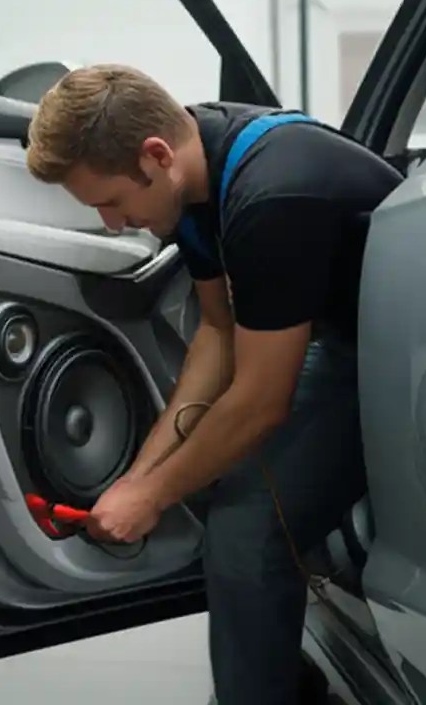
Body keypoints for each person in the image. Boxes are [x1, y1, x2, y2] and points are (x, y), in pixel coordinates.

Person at [24, 64, 403, 704]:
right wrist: (143, 476)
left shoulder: (269, 198)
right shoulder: (197, 174)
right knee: (203, 484)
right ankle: (285, 682)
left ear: (156, 155)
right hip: (342, 339)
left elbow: (258, 403)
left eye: (111, 202)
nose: (115, 225)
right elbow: (218, 335)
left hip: (400, 358)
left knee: (243, 534)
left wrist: (151, 496)